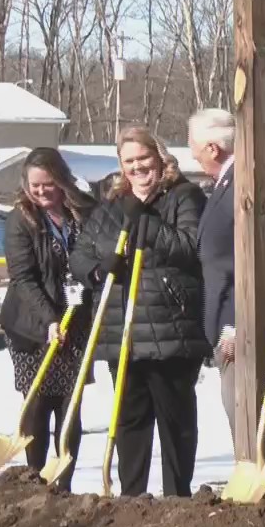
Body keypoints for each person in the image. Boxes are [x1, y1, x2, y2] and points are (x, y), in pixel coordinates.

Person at [70, 127, 209, 496]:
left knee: (174, 419)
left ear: (159, 157)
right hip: (124, 330)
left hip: (170, 329)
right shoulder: (112, 203)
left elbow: (190, 247)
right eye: (129, 161)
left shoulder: (184, 196)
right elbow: (81, 254)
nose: (137, 168)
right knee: (129, 418)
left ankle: (177, 494)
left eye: (143, 159)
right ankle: (133, 497)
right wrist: (101, 269)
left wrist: (146, 226)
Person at [0, 148, 98, 486]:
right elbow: (23, 278)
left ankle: (64, 481)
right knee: (39, 403)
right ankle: (36, 478)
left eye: (48, 184)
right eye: (34, 185)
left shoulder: (82, 212)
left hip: (76, 320)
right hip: (31, 326)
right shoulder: (20, 220)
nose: (41, 191)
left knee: (70, 407)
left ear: (61, 180)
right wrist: (49, 320)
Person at [188, 108, 265, 473]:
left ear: (213, 147)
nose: (193, 156)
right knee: (233, 409)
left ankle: (258, 487)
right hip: (222, 321)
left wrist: (237, 322)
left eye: (195, 148)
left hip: (238, 323)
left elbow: (249, 258)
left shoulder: (243, 184)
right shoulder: (222, 184)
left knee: (245, 413)